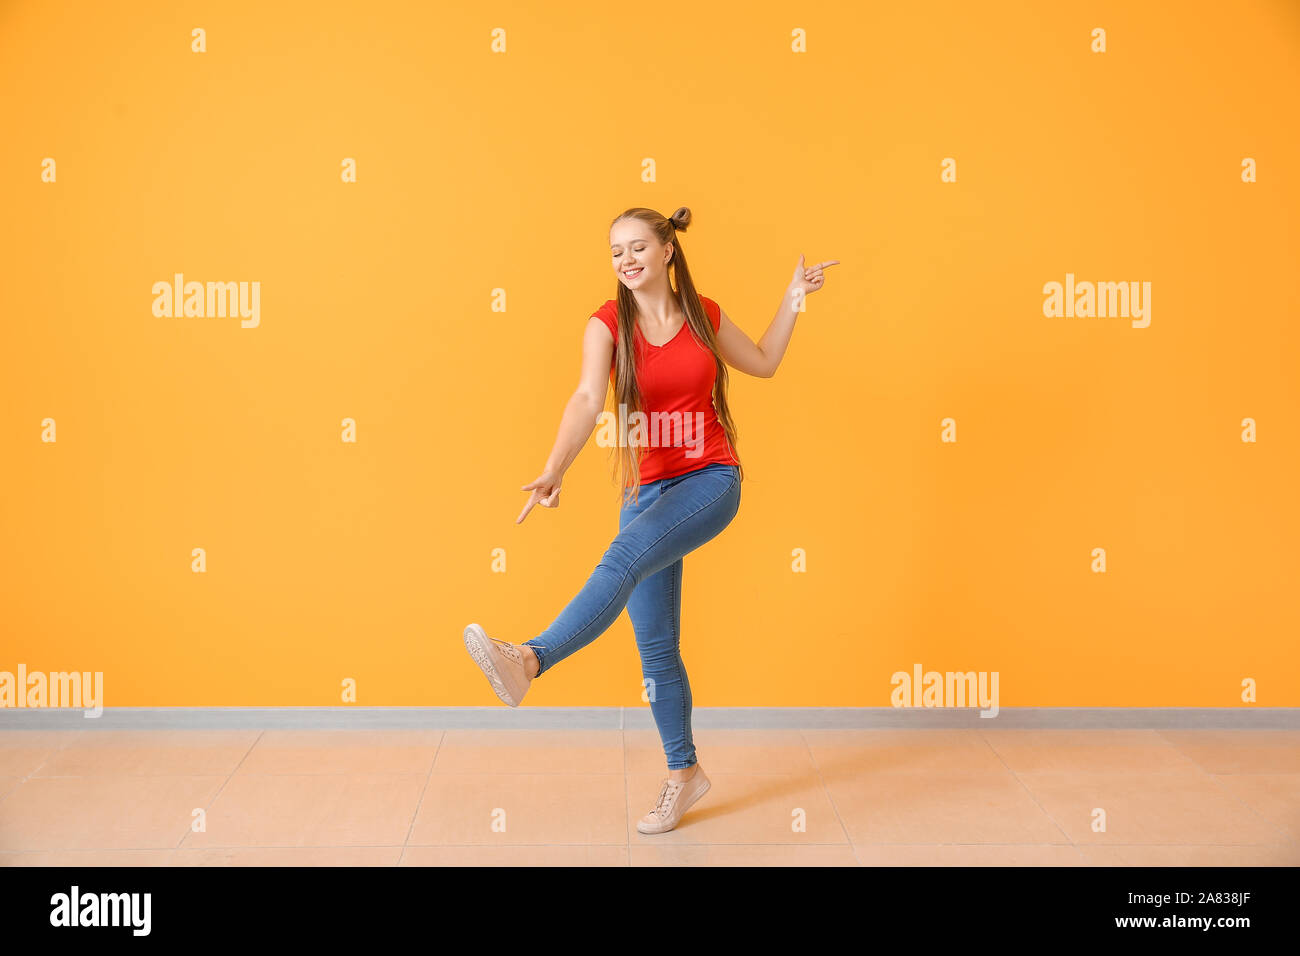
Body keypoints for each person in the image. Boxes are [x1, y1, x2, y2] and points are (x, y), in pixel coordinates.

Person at [464, 205, 838, 833]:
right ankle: (684, 773)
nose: (626, 260)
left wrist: (793, 298)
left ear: (667, 251)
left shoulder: (703, 315)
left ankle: (528, 659)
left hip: (710, 481)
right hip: (645, 492)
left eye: (637, 247)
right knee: (657, 648)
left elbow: (766, 361)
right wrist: (555, 468)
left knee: (623, 559)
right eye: (615, 252)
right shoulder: (607, 324)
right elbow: (587, 398)